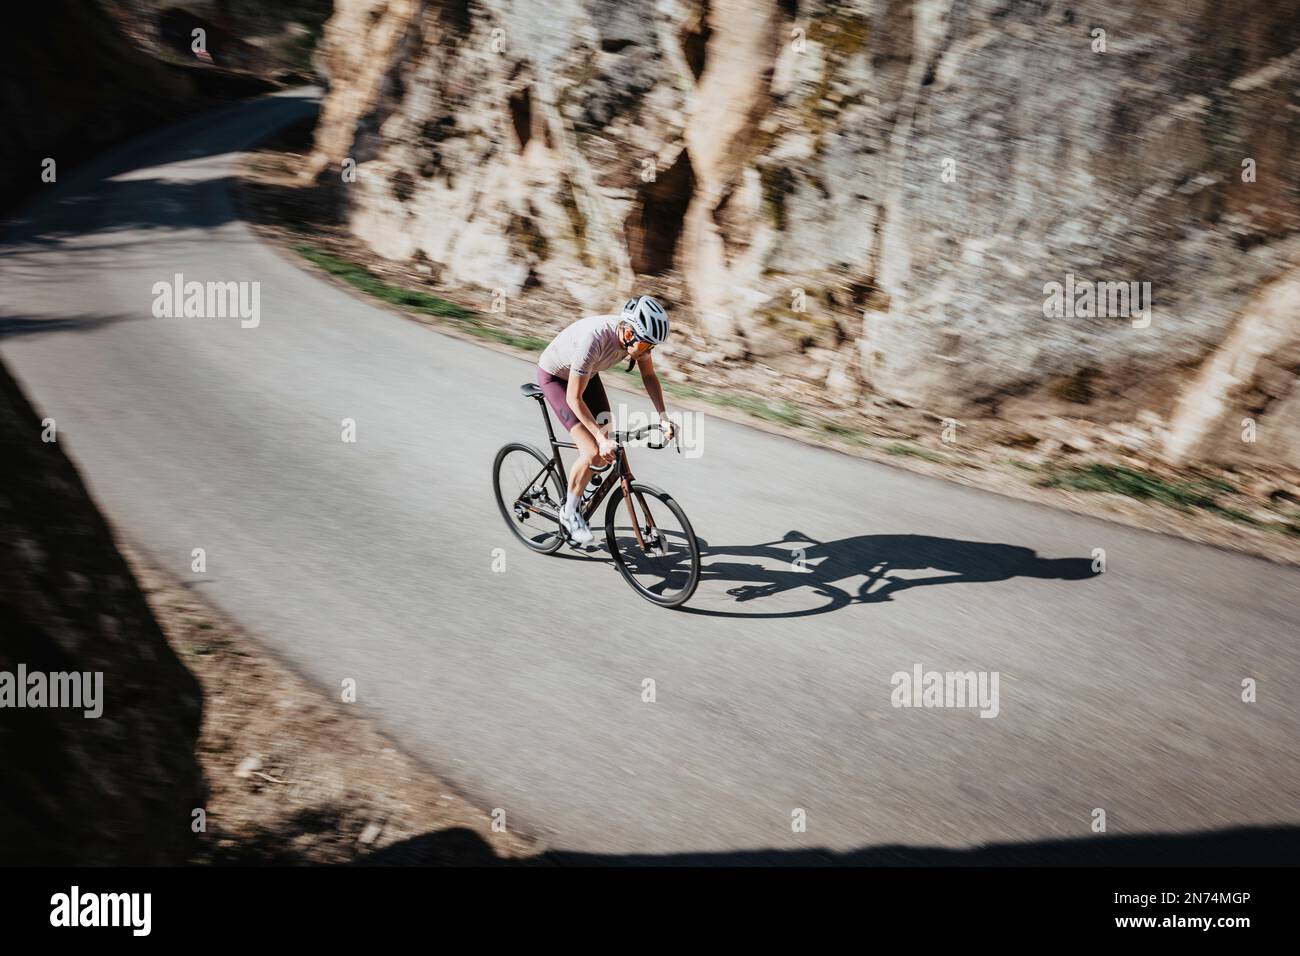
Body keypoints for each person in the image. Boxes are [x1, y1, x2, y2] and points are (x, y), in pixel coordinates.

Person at [536, 295, 675, 544]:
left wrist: (663, 417)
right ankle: (568, 513)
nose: (646, 353)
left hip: (587, 375)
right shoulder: (595, 339)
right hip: (557, 380)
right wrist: (598, 438)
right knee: (592, 450)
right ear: (629, 332)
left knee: (608, 443)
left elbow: (650, 377)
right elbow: (574, 399)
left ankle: (583, 484)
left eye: (651, 348)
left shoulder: (637, 339)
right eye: (645, 346)